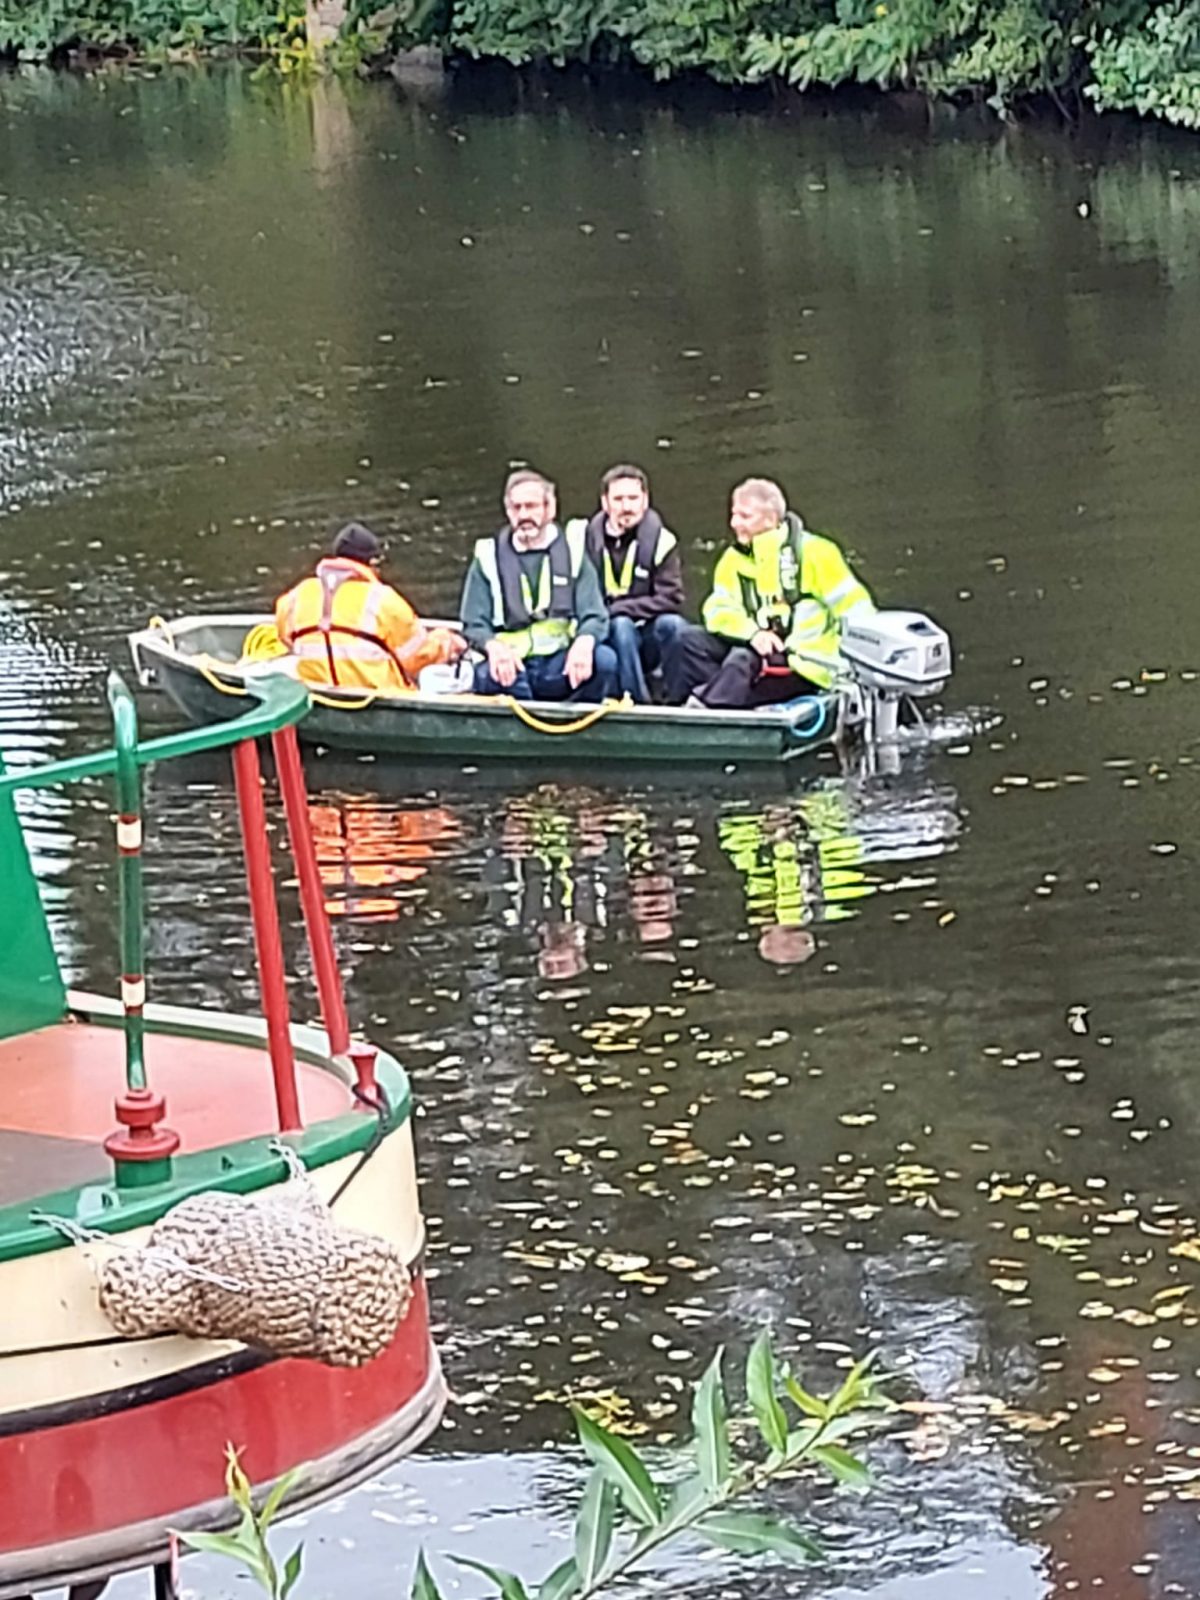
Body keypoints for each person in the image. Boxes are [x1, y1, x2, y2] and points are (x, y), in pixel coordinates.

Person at [667, 478, 874, 709]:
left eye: (745, 517)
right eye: (734, 514)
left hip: (805, 662)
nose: (734, 523)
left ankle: (709, 710)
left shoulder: (818, 553)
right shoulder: (731, 560)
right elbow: (718, 610)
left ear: (771, 519)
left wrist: (854, 666)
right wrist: (753, 633)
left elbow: (857, 611)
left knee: (741, 660)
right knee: (687, 641)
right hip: (753, 647)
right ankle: (689, 707)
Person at [460, 469, 618, 703]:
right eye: (517, 508)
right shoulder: (488, 557)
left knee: (604, 660)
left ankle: (574, 720)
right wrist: (492, 647)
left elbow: (595, 615)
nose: (524, 514)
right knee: (487, 676)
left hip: (558, 664)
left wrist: (584, 643)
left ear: (549, 509)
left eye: (531, 506)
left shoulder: (573, 554)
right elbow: (473, 623)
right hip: (510, 668)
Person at [275, 522, 464, 692]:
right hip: (378, 700)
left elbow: (285, 637)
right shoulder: (384, 601)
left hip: (317, 695)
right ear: (372, 563)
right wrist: (445, 641)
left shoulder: (296, 596)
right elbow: (418, 659)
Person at [566, 464, 687, 704]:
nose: (626, 507)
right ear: (605, 503)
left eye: (633, 498)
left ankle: (677, 699)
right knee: (621, 627)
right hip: (604, 630)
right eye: (618, 499)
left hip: (644, 630)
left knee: (674, 626)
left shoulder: (663, 541)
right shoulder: (582, 540)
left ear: (645, 500)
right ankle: (636, 702)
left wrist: (621, 608)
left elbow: (671, 598)